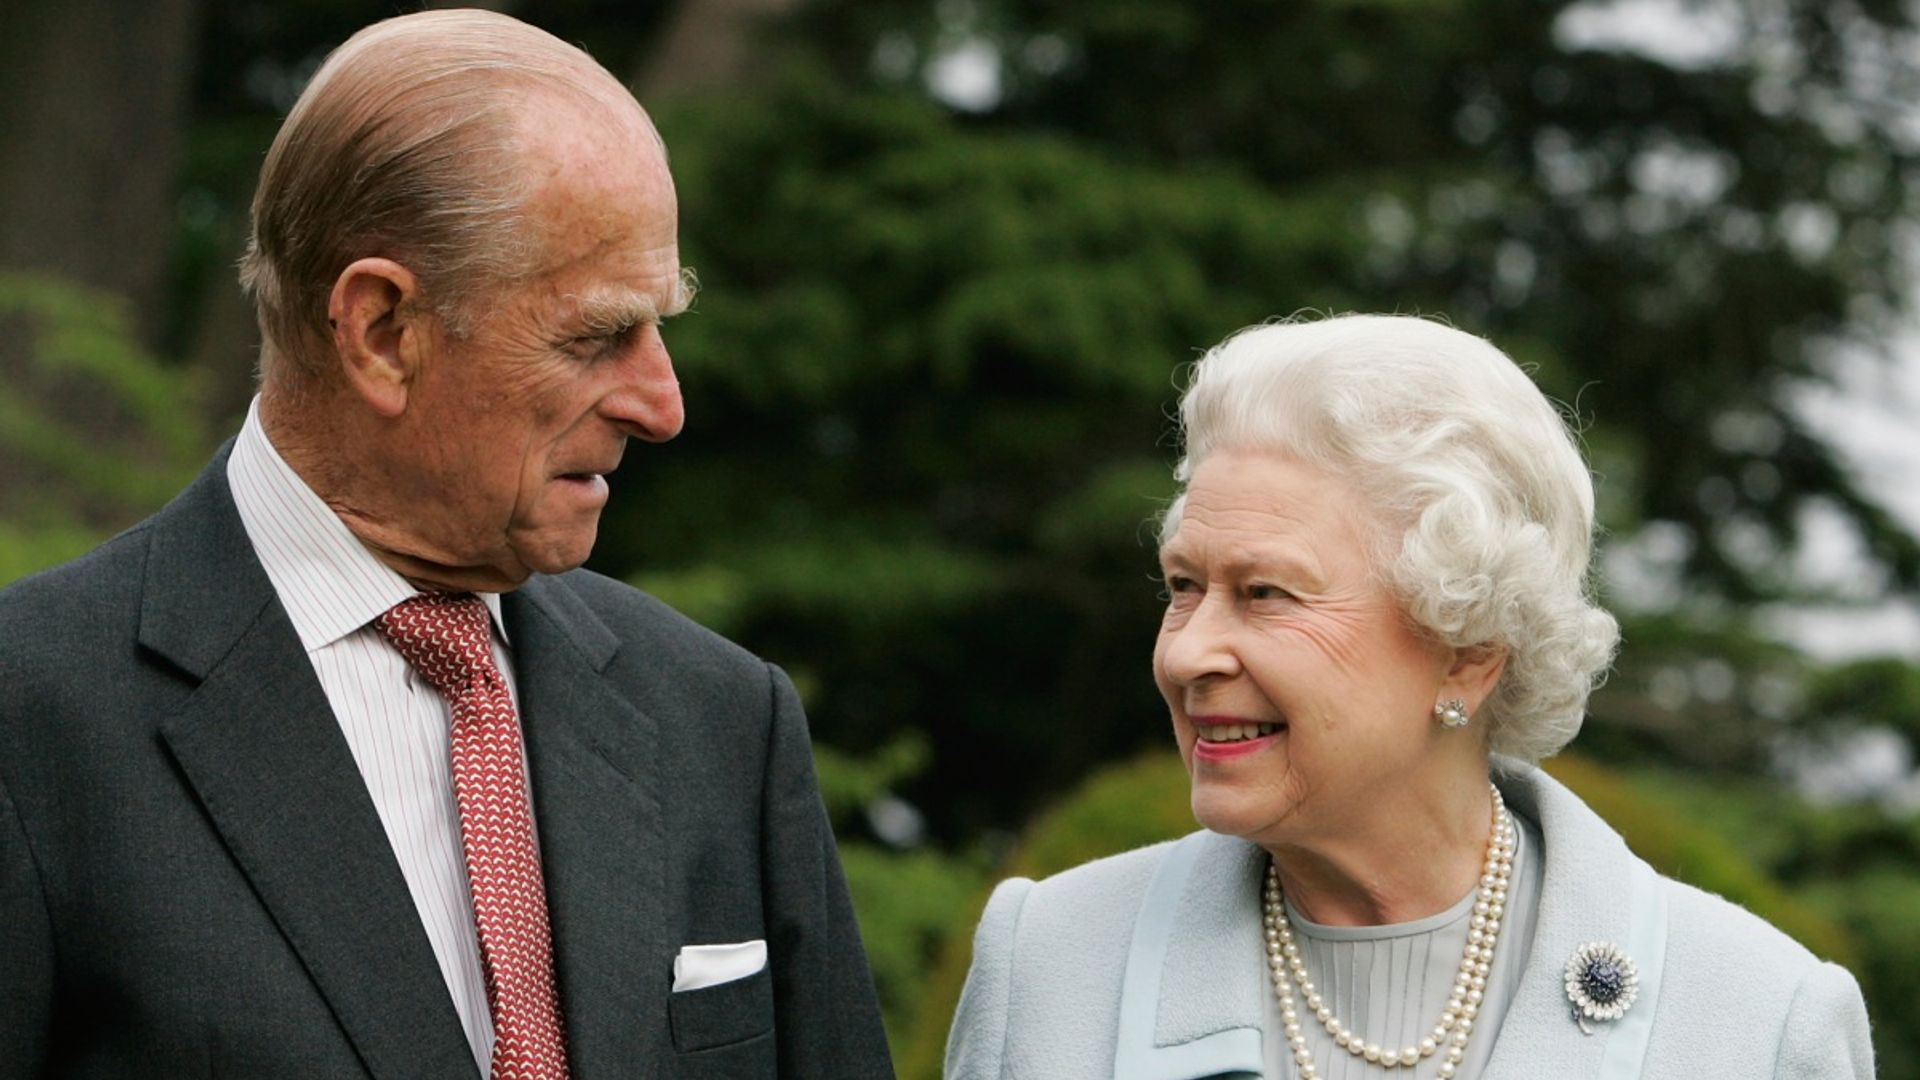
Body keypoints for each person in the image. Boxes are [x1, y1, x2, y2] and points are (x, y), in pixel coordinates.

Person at [0, 11, 893, 1079]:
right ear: (381, 331)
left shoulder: (721, 722)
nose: (664, 405)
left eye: (662, 328)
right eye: (598, 335)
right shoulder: (31, 719)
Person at [944, 314, 1874, 1079]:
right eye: (1184, 586)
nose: (1188, 653)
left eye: (1266, 594)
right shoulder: (1050, 964)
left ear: (1467, 650)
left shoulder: (1759, 1021)